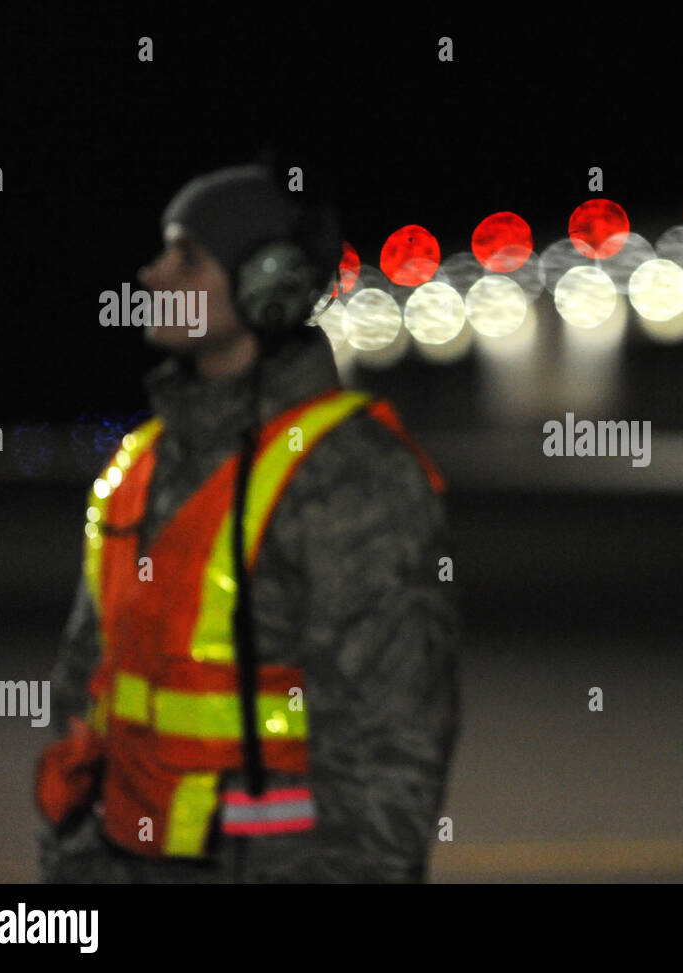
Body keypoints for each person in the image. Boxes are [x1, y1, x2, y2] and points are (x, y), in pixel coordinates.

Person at [36, 164, 458, 883]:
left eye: (186, 256)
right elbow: (87, 692)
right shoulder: (141, 460)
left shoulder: (350, 472)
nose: (153, 273)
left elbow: (391, 751)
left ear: (267, 287)